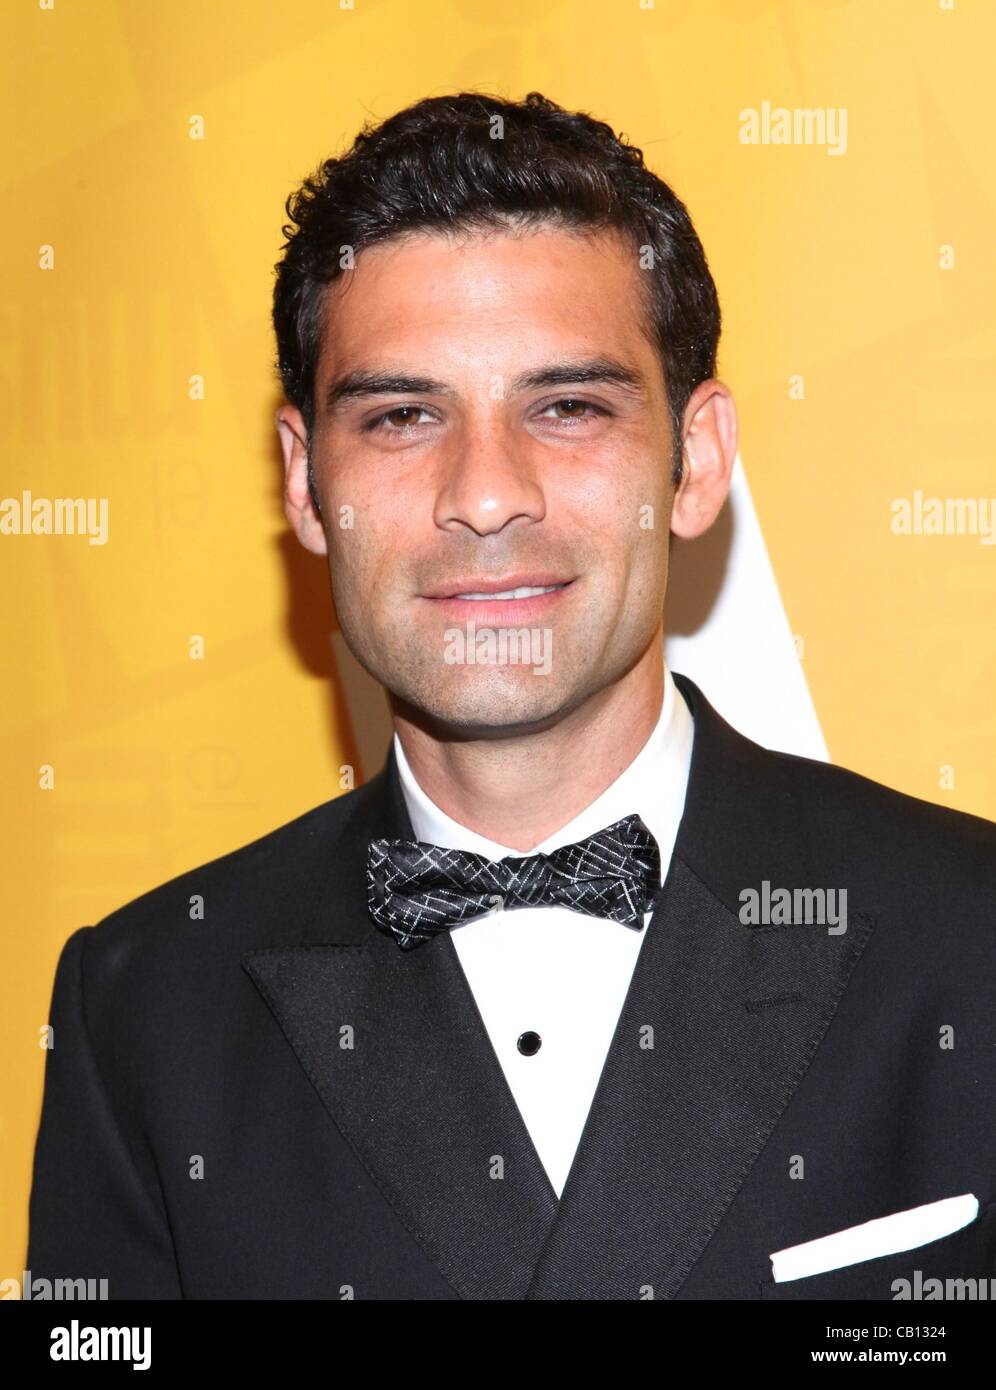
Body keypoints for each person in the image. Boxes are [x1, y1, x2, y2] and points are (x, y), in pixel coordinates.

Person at [27, 91, 995, 1301]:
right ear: (303, 480)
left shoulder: (970, 937)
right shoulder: (144, 1010)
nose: (485, 494)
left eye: (568, 407)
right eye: (401, 415)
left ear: (696, 462)